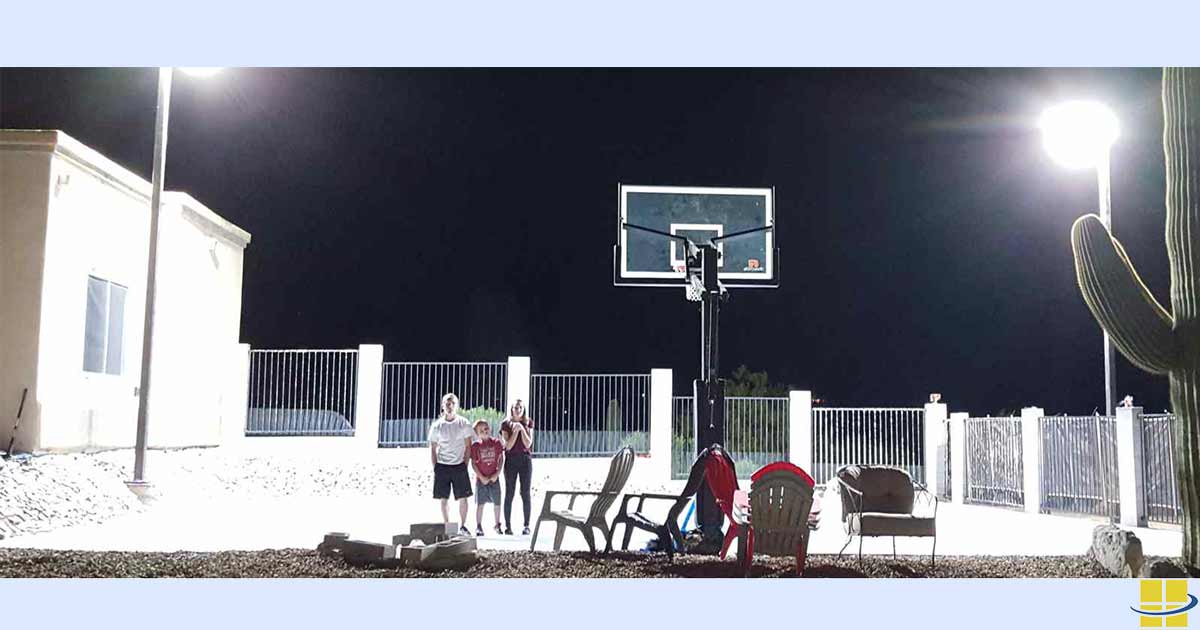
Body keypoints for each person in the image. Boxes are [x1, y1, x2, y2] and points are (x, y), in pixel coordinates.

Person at [428, 392, 473, 536]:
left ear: (457, 406)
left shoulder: (464, 423)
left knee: (463, 497)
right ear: (443, 406)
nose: (450, 406)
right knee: (444, 498)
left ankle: (463, 526)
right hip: (442, 465)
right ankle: (447, 526)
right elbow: (433, 448)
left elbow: (468, 446)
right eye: (447, 403)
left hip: (459, 465)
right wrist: (436, 467)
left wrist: (465, 464)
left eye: (453, 403)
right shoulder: (437, 426)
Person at [500, 399, 534, 535]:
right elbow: (508, 446)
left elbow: (528, 443)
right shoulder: (505, 424)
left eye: (520, 407)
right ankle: (508, 526)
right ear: (511, 409)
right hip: (511, 460)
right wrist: (515, 431)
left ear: (523, 409)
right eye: (515, 407)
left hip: (525, 460)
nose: (518, 410)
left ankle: (526, 525)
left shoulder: (528, 422)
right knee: (510, 492)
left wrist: (521, 429)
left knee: (525, 492)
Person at [469, 419, 505, 536]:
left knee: (497, 502)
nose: (485, 431)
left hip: (494, 478)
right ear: (477, 433)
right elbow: (473, 463)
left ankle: (497, 524)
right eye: (481, 430)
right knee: (480, 503)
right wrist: (481, 477)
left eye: (486, 428)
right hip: (481, 479)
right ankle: (479, 525)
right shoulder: (475, 446)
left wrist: (497, 473)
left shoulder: (496, 443)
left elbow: (501, 459)